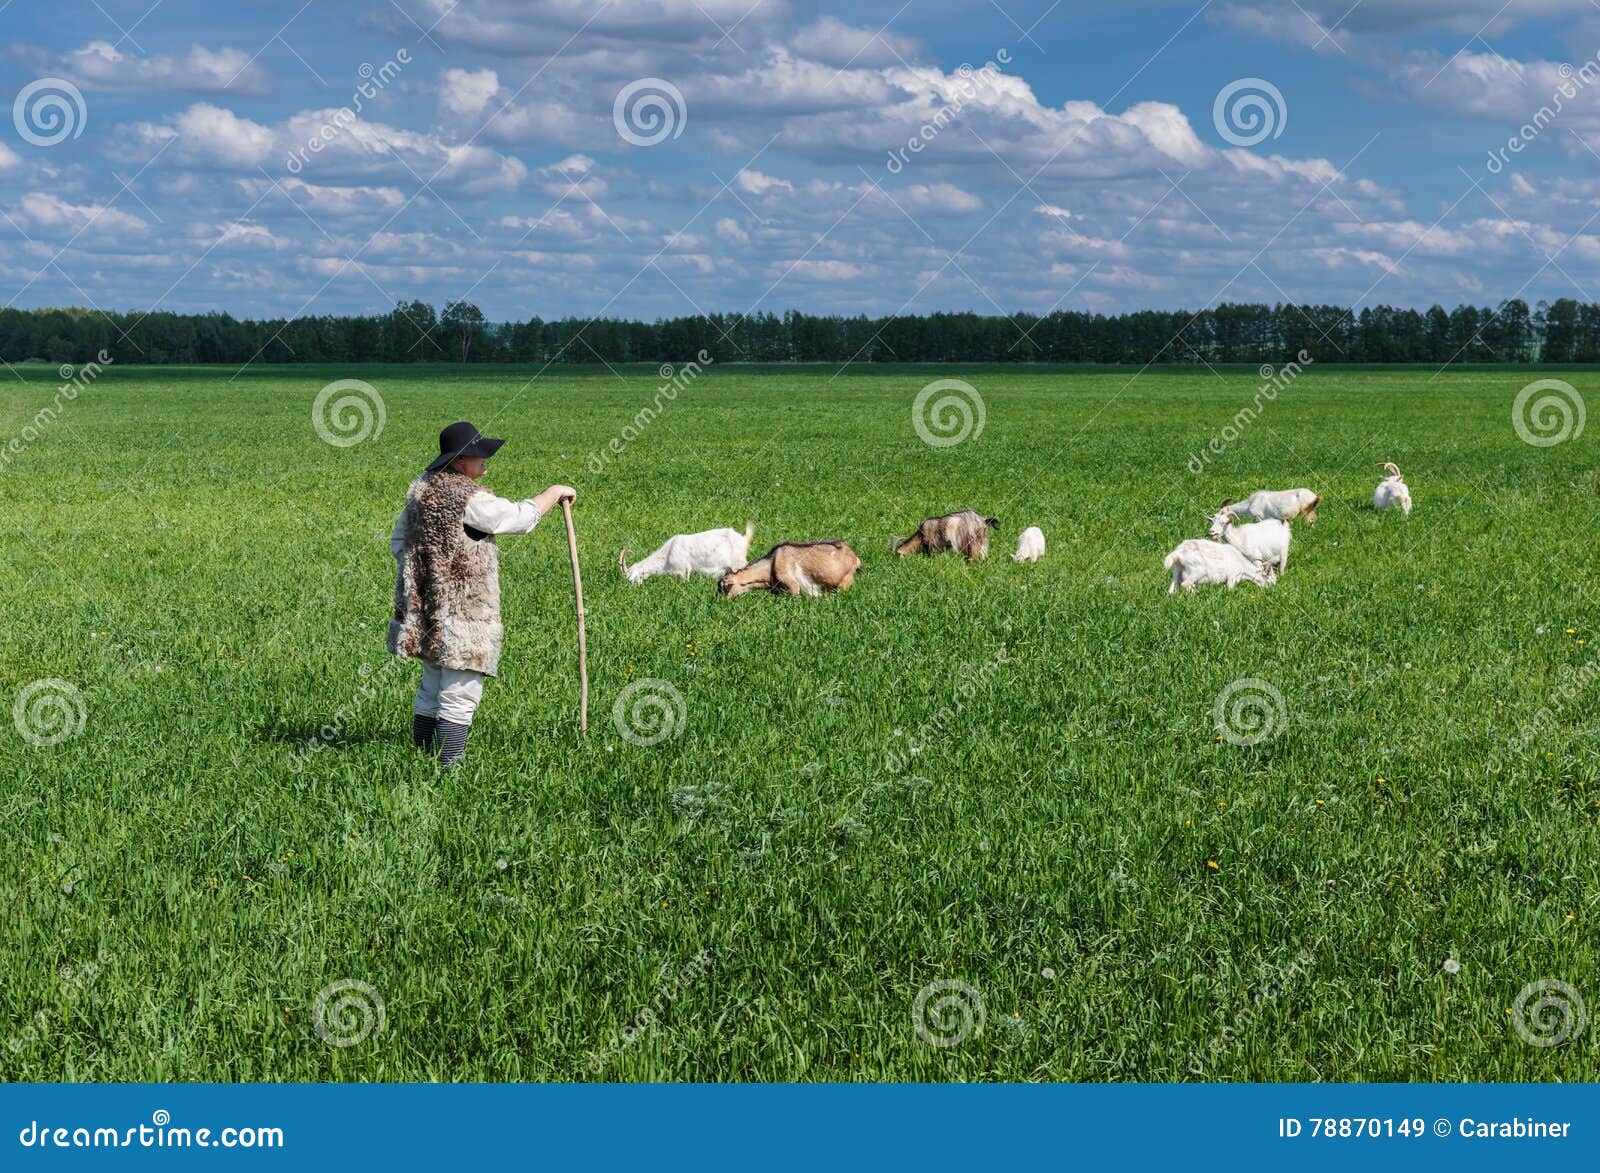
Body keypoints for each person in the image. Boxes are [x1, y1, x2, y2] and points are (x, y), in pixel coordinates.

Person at [388, 421, 576, 766]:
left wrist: (423, 576)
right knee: (461, 689)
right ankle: (449, 769)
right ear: (460, 462)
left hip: (426, 607)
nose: (484, 461)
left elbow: (399, 542)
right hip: (464, 610)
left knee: (432, 684)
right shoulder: (468, 498)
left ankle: (421, 757)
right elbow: (518, 519)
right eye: (478, 455)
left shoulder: (422, 490)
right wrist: (554, 492)